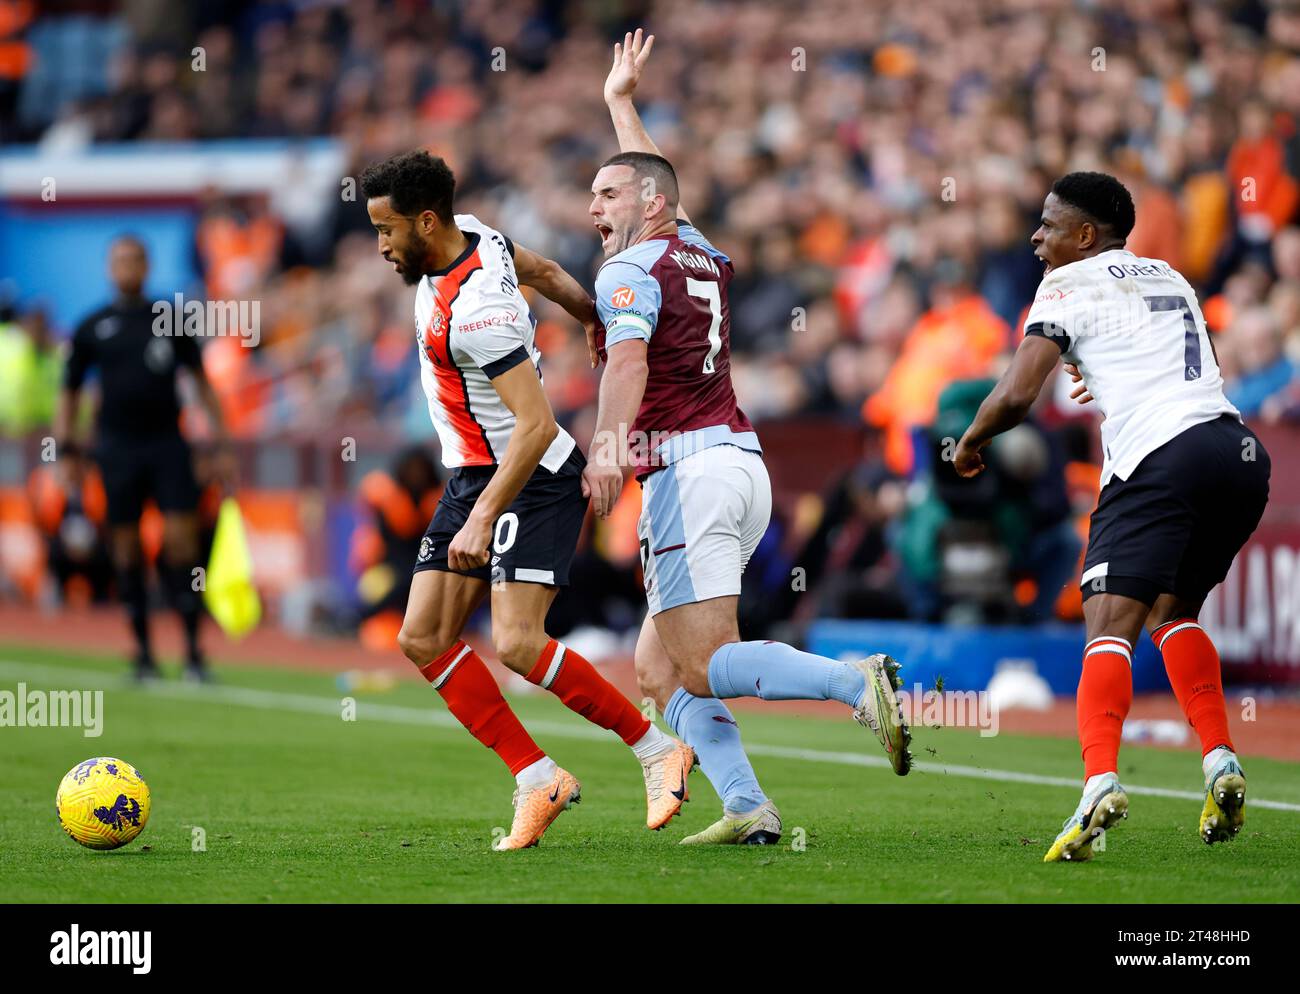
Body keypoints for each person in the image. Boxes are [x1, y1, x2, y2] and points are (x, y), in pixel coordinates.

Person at [582, 31, 911, 847]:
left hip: (688, 473)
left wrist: (605, 448)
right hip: (739, 465)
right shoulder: (695, 249)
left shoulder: (625, 272)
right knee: (658, 670)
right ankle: (746, 806)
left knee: (703, 661)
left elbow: (624, 367)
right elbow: (662, 181)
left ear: (648, 205)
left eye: (608, 195)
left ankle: (851, 680)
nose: (594, 210)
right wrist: (620, 101)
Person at [360, 150, 695, 852]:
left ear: (426, 222)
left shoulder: (477, 310)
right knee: (421, 635)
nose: (383, 246)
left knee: (515, 641)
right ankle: (537, 776)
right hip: (474, 471)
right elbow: (541, 270)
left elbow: (537, 424)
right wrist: (591, 319)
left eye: (389, 231)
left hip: (529, 473)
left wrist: (484, 516)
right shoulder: (477, 233)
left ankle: (655, 748)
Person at [952, 172, 1271, 862]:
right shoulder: (1171, 275)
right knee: (1174, 615)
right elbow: (1195, 366)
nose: (1036, 238)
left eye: (1049, 224)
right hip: (1236, 452)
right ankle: (1220, 760)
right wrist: (1100, 364)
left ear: (1086, 236)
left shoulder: (1068, 285)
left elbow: (1014, 395)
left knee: (1109, 625)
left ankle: (1099, 781)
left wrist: (971, 441)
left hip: (1159, 457)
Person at [54, 235, 232, 681]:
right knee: (126, 549)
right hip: (116, 449)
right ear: (109, 267)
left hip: (167, 445)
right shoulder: (93, 326)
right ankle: (144, 653)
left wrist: (220, 442)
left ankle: (193, 652)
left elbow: (202, 382)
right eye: (119, 260)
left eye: (134, 259)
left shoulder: (169, 320)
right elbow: (70, 391)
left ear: (147, 265)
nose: (127, 267)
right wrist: (66, 448)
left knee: (182, 545)